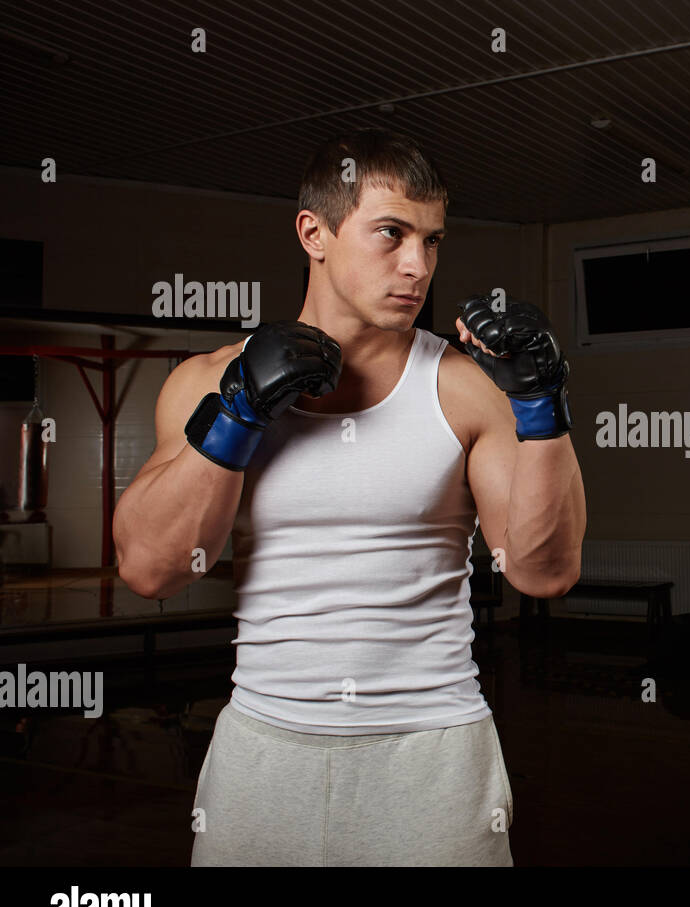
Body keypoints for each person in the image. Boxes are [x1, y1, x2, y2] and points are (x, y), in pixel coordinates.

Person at [113, 128, 586, 865]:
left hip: (433, 755)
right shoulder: (210, 380)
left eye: (432, 241)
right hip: (263, 752)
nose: (417, 265)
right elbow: (150, 570)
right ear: (315, 232)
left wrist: (543, 411)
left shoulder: (464, 388)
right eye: (392, 234)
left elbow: (542, 572)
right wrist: (234, 420)